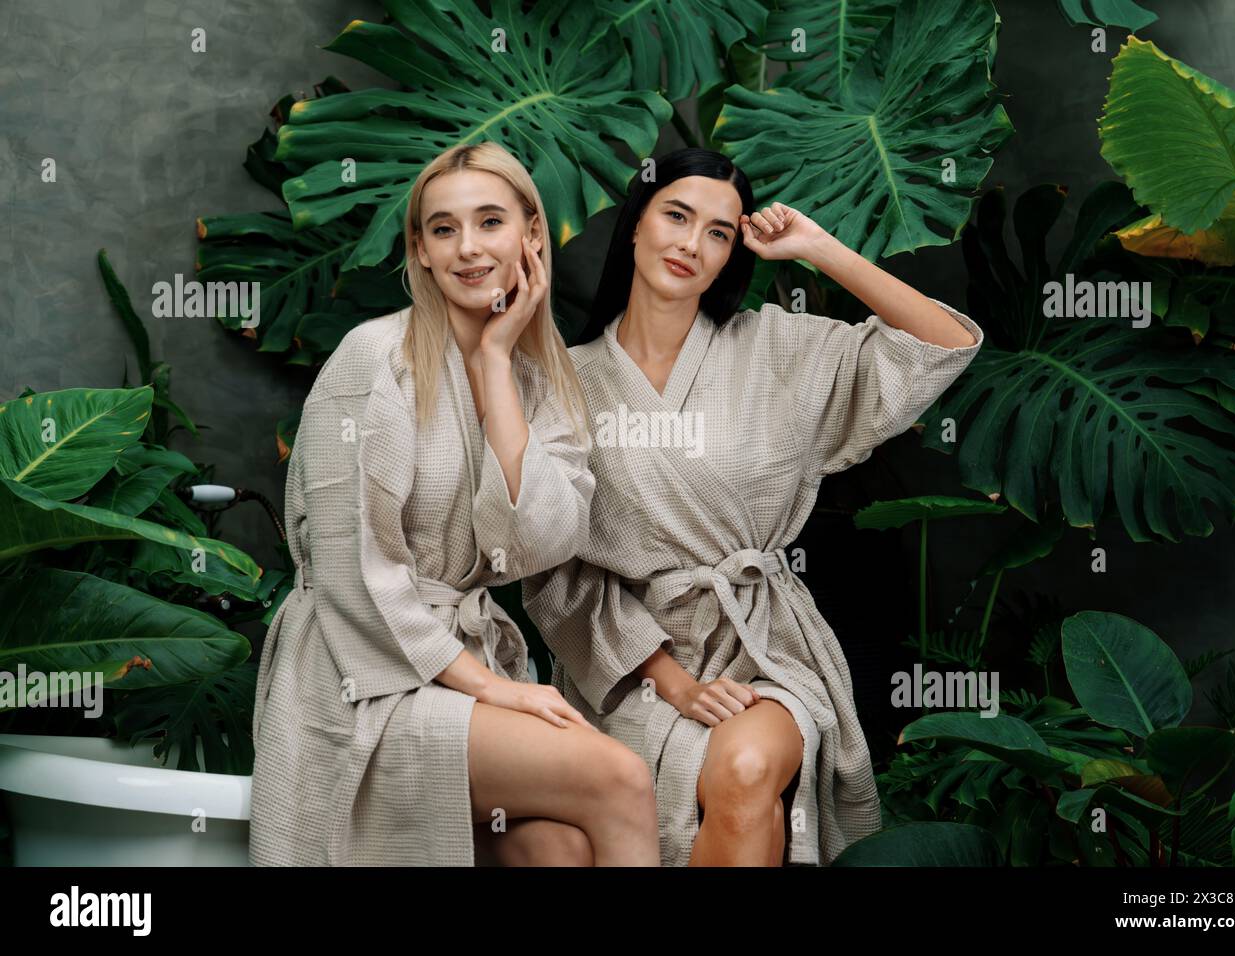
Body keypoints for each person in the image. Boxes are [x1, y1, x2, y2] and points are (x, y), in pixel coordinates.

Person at [523, 147, 984, 866]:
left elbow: (942, 344)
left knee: (742, 769)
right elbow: (556, 571)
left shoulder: (775, 348)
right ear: (636, 225)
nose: (691, 243)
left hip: (768, 649)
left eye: (718, 232)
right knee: (754, 815)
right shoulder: (564, 384)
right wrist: (669, 679)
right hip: (632, 663)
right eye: (676, 216)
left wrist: (817, 247)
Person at [250, 141, 660, 866]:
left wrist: (497, 363)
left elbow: (541, 543)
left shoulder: (540, 380)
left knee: (557, 848)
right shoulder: (374, 360)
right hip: (361, 672)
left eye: (491, 222)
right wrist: (493, 691)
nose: (469, 248)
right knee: (618, 773)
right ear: (421, 250)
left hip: (457, 671)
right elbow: (353, 573)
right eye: (444, 229)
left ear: (532, 235)